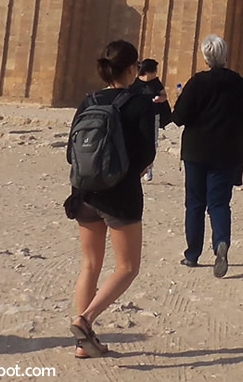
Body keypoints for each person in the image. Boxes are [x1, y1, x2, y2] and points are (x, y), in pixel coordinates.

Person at [65, 40, 157, 358]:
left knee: (90, 264)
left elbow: (71, 150)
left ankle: (84, 346)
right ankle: (85, 320)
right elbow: (147, 153)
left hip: (85, 192)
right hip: (121, 195)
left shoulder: (88, 100)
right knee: (127, 267)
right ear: (132, 69)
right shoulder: (142, 103)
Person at [172, 35, 243, 277]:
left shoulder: (197, 83)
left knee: (195, 203)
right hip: (227, 152)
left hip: (196, 151)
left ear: (205, 57)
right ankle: (221, 243)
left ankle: (192, 255)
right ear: (224, 56)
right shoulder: (238, 83)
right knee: (219, 203)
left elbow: (178, 117)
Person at [131, 58, 171, 183]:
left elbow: (164, 95)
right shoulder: (134, 83)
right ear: (147, 71)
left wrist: (161, 99)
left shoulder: (156, 83)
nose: (156, 73)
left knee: (152, 142)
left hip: (153, 115)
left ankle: (148, 168)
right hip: (136, 116)